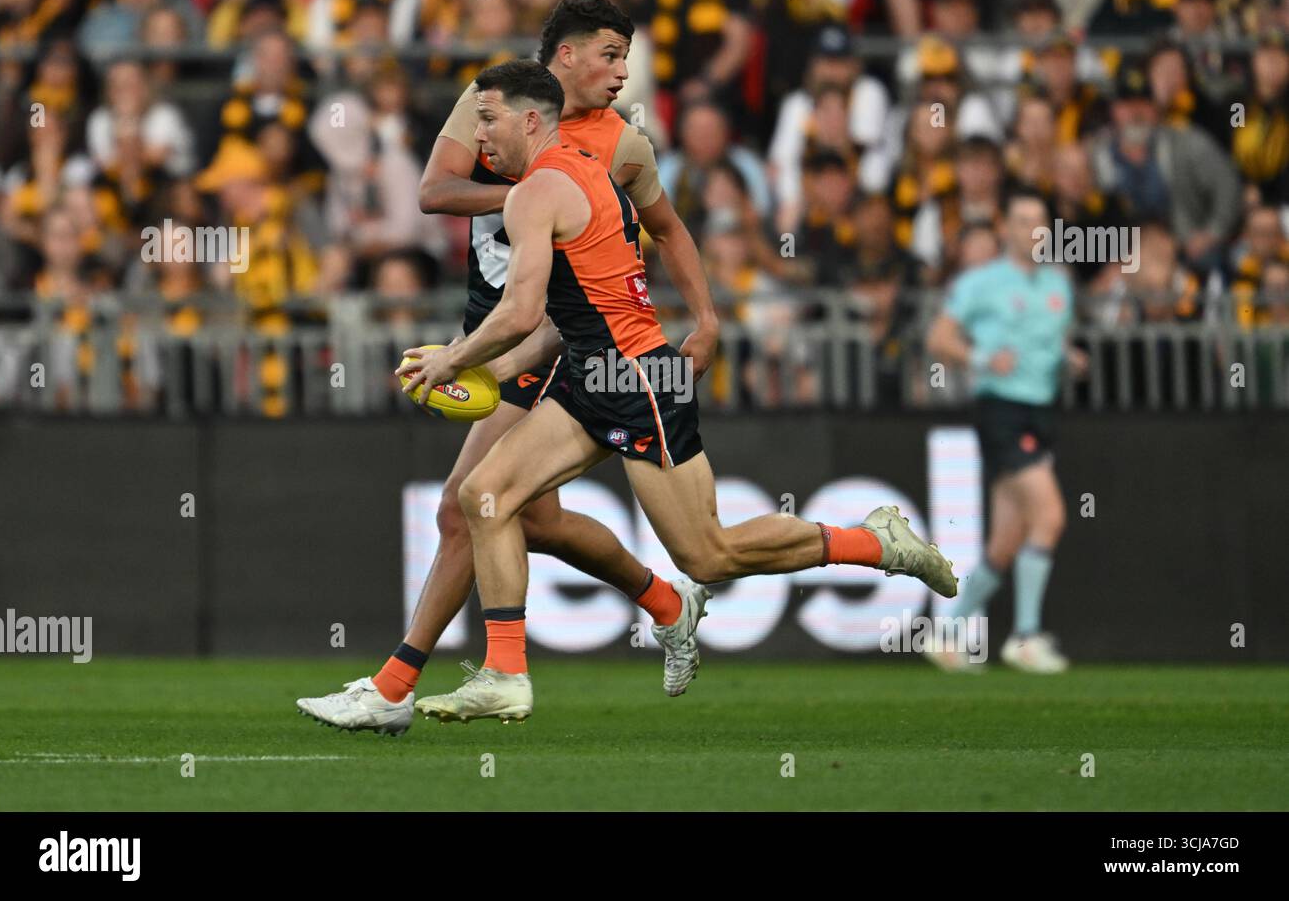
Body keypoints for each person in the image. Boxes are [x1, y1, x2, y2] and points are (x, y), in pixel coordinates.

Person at [395, 60, 957, 723]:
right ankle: (505, 675)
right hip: (591, 372)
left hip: (636, 380)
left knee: (708, 553)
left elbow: (521, 311)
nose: (479, 133)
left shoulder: (535, 192)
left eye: (488, 118)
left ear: (529, 119)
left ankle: (877, 542)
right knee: (483, 496)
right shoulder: (584, 174)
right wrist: (481, 370)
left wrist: (452, 360)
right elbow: (558, 322)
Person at [296, 0, 719, 735]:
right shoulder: (501, 102)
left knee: (465, 503)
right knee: (533, 516)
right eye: (612, 55)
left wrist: (708, 318)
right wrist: (533, 193)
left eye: (626, 57)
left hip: (553, 334)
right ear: (566, 58)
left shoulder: (626, 144)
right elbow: (434, 191)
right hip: (502, 321)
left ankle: (396, 688)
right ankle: (667, 603)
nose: (623, 73)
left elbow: (669, 229)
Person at [926, 190, 1085, 674]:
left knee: (1007, 538)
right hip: (1002, 411)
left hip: (1041, 412)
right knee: (1051, 515)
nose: (1031, 230)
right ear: (1006, 230)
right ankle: (1025, 637)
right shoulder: (981, 283)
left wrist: (1069, 359)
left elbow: (1050, 344)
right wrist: (979, 359)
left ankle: (948, 633)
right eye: (1021, 221)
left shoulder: (1059, 287)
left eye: (1039, 222)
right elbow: (939, 338)